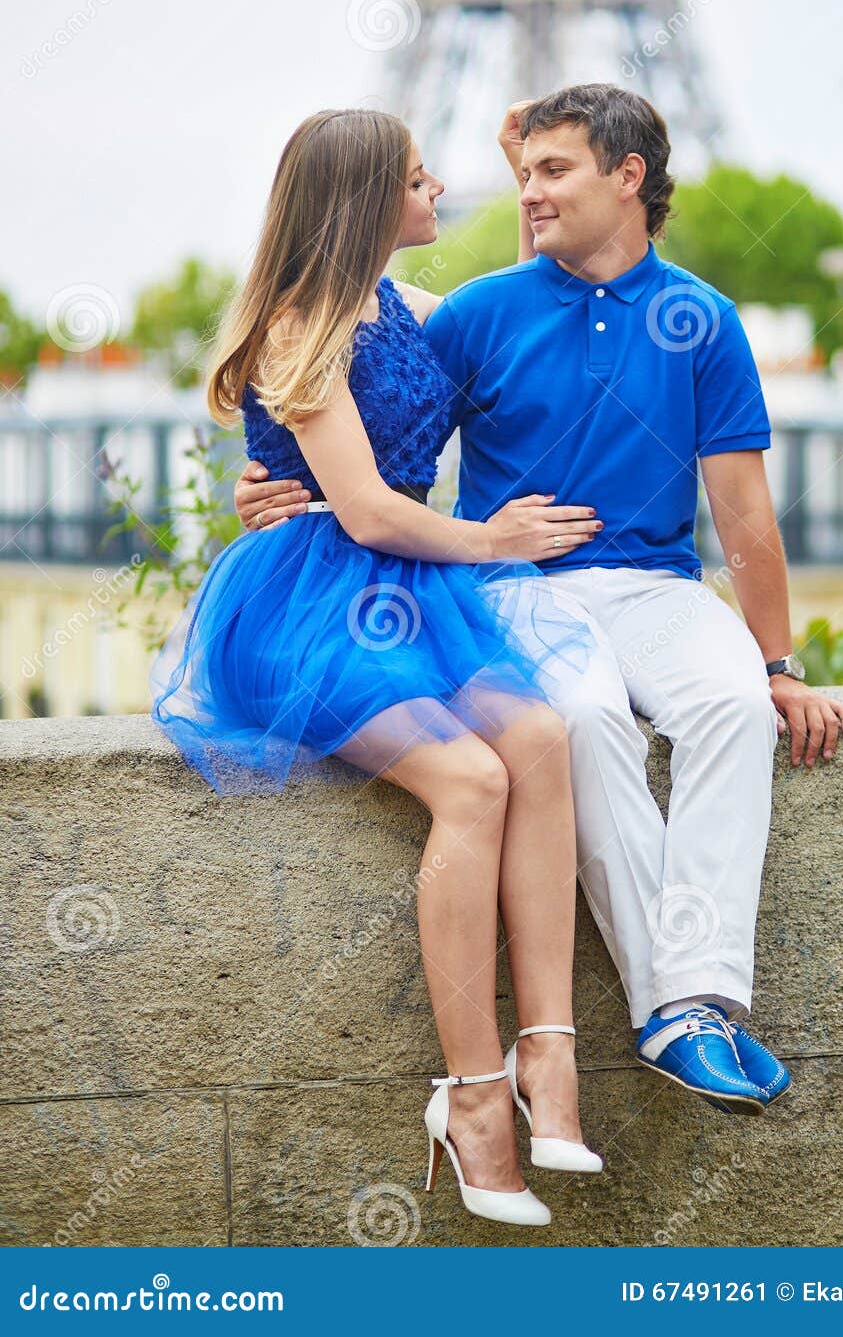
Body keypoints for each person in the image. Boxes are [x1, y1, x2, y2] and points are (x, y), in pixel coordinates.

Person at [237, 83, 843, 1118]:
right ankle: (682, 1012)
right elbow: (365, 405)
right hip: (512, 583)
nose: (526, 192)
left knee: (733, 708)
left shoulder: (702, 319)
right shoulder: (475, 313)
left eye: (552, 171)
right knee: (583, 721)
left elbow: (743, 511)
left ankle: (689, 997)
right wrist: (274, 486)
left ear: (629, 177)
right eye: (523, 173)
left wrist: (777, 666)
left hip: (658, 585)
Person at [150, 108, 605, 1227]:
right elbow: (360, 508)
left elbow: (517, 304)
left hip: (410, 589)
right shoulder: (297, 326)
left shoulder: (404, 306)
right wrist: (493, 540)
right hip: (313, 599)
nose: (435, 189)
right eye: (415, 178)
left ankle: (550, 1053)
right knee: (472, 780)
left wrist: (523, 171)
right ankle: (472, 1095)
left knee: (541, 737)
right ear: (362, 200)